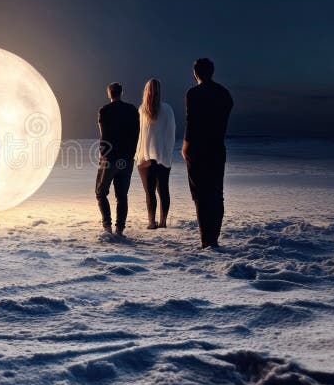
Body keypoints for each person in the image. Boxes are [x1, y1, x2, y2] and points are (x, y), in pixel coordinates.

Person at [181, 58, 233, 248]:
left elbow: (191, 121)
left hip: (197, 150)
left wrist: (185, 146)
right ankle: (214, 238)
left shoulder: (194, 93)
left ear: (195, 74)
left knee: (200, 195)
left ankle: (206, 239)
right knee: (216, 193)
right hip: (217, 148)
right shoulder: (224, 94)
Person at [95, 82, 139, 235]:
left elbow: (104, 135)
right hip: (126, 158)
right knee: (121, 195)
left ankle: (107, 226)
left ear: (109, 94)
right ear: (121, 93)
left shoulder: (104, 110)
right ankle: (120, 228)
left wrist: (104, 154)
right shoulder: (132, 110)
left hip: (110, 158)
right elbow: (136, 134)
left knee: (101, 192)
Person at [135, 78, 176, 229]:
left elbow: (139, 135)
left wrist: (137, 155)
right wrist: (167, 153)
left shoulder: (141, 110)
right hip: (162, 157)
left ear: (146, 91)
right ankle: (163, 222)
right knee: (163, 189)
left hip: (145, 157)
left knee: (150, 192)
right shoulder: (168, 109)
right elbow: (171, 134)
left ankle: (152, 223)